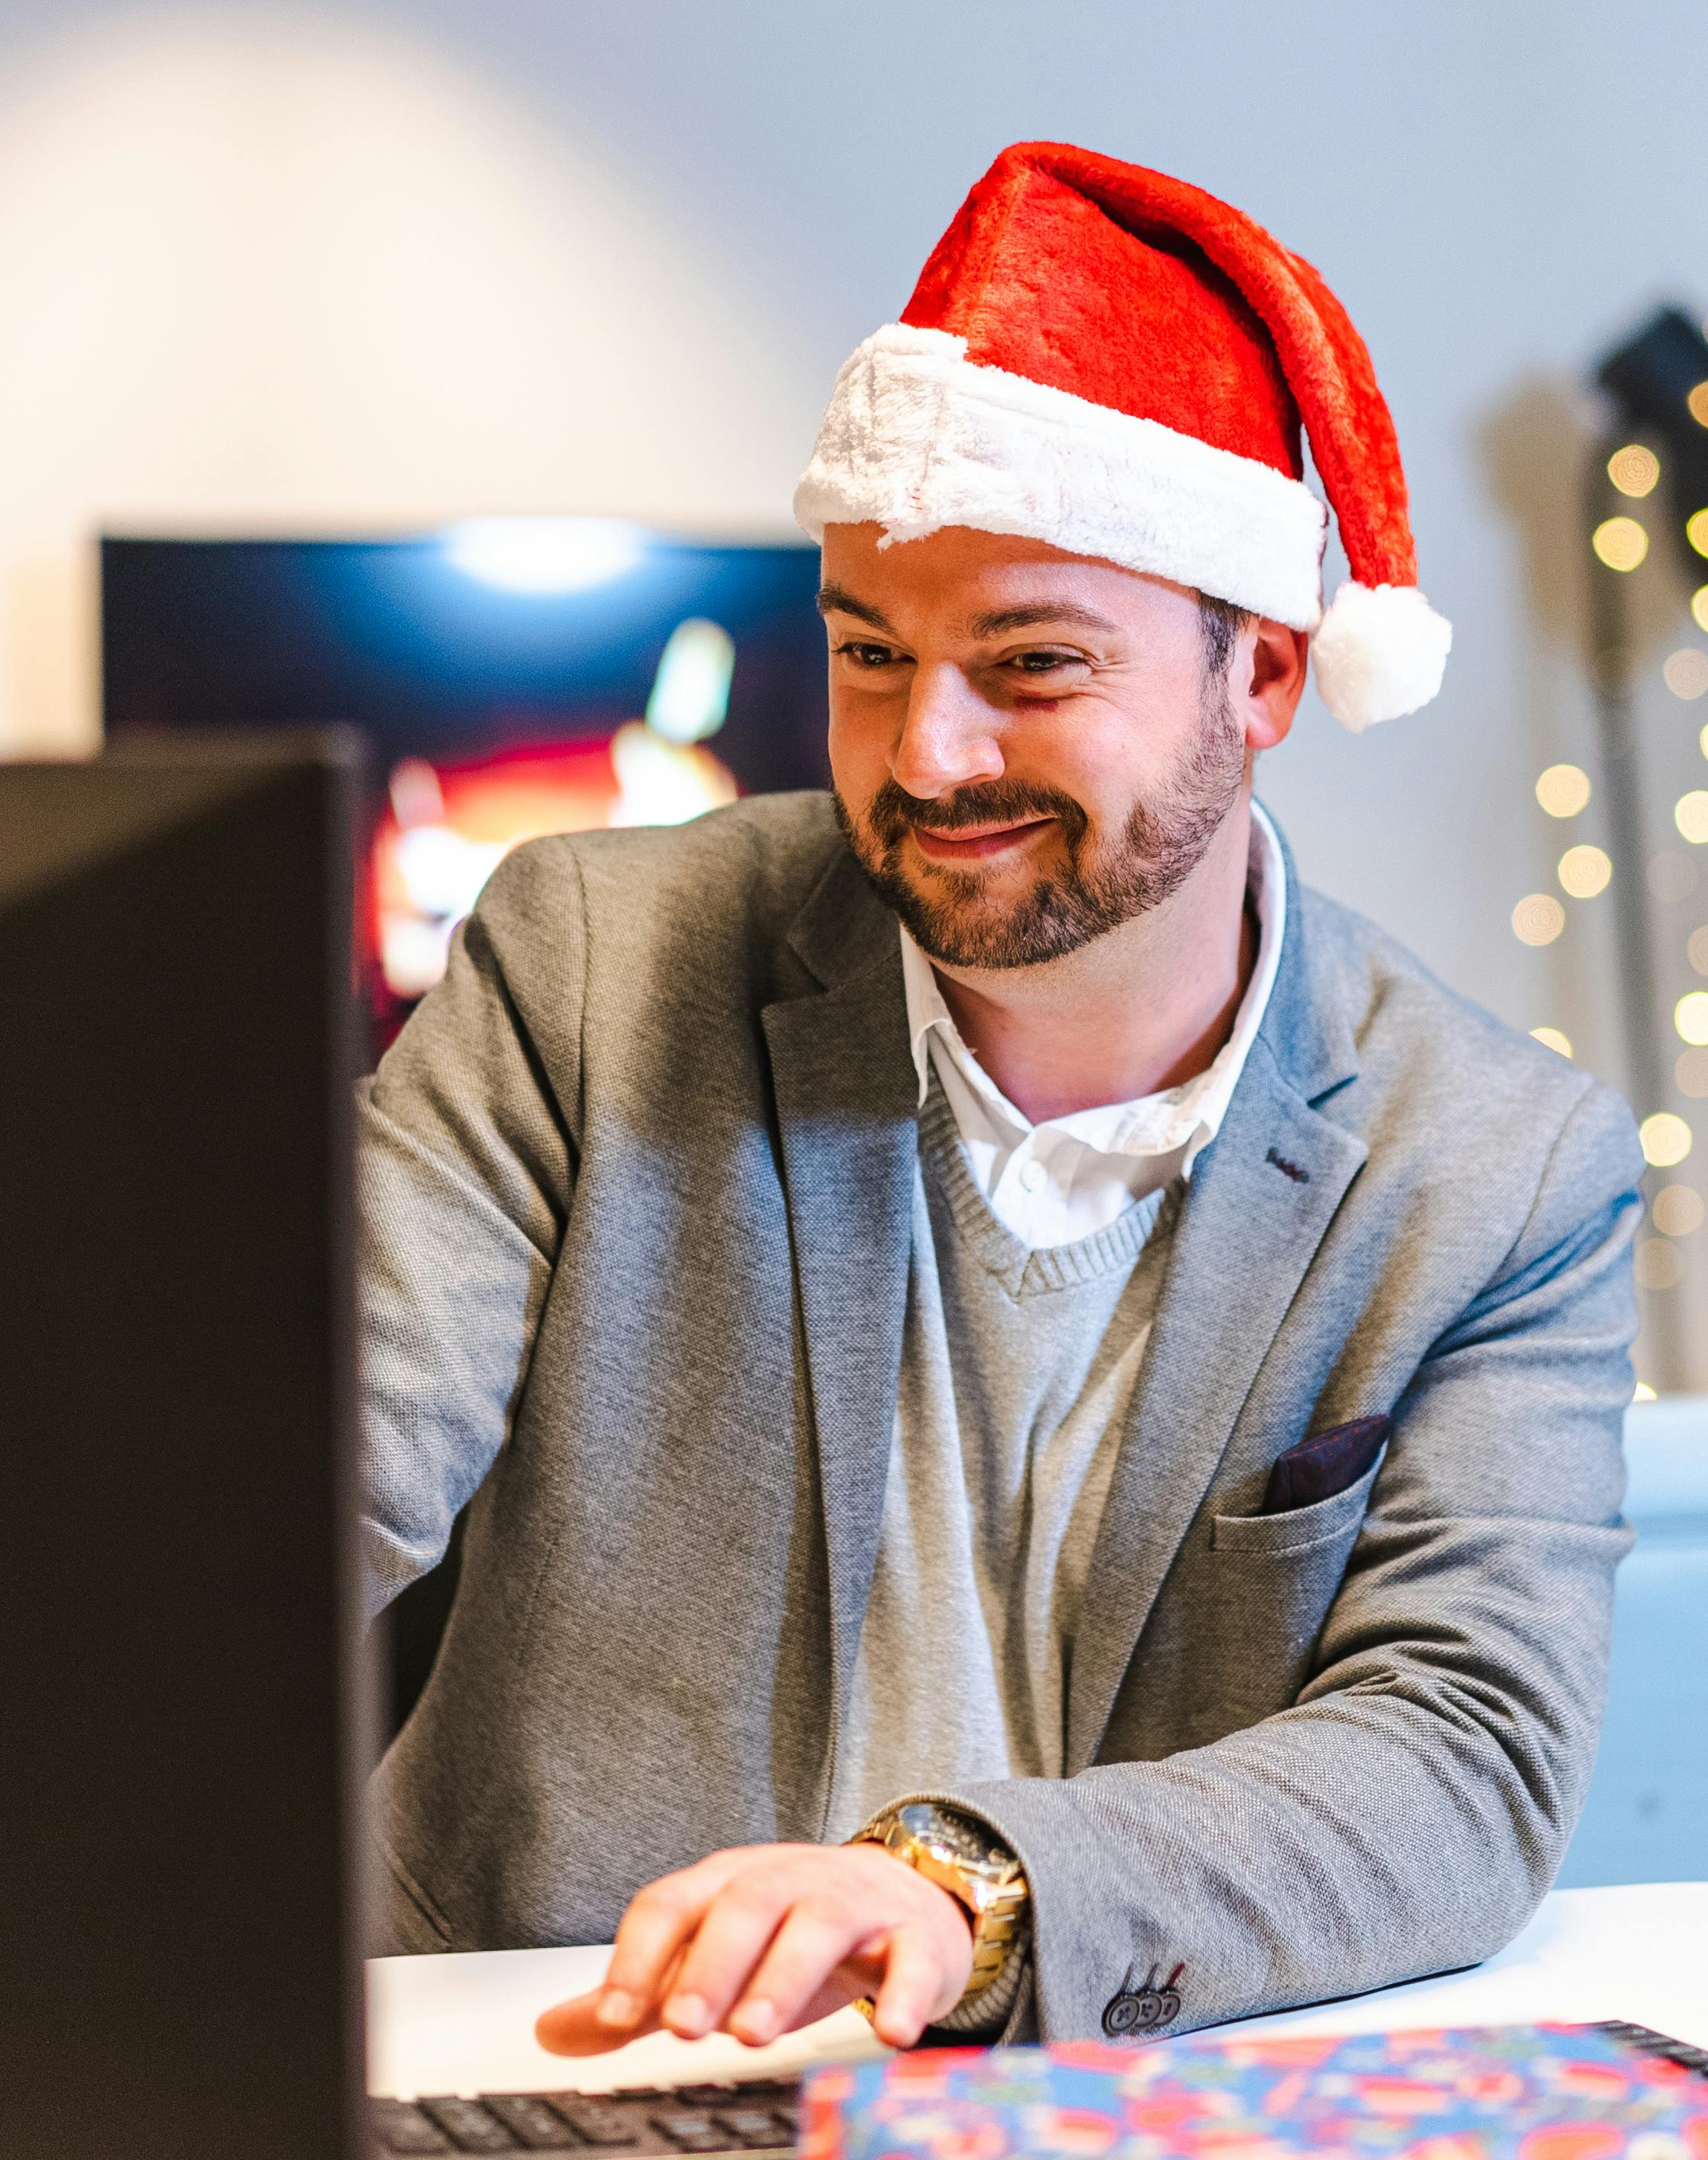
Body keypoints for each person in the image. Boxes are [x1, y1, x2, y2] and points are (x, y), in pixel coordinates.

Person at [358, 142, 1642, 2055]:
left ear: (1264, 672)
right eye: (868, 656)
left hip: (1116, 2080)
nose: (924, 751)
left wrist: (955, 1885)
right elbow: (310, 1471)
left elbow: (1456, 1759)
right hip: (565, 2046)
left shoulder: (1500, 1164)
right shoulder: (587, 967)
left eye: (1030, 665)